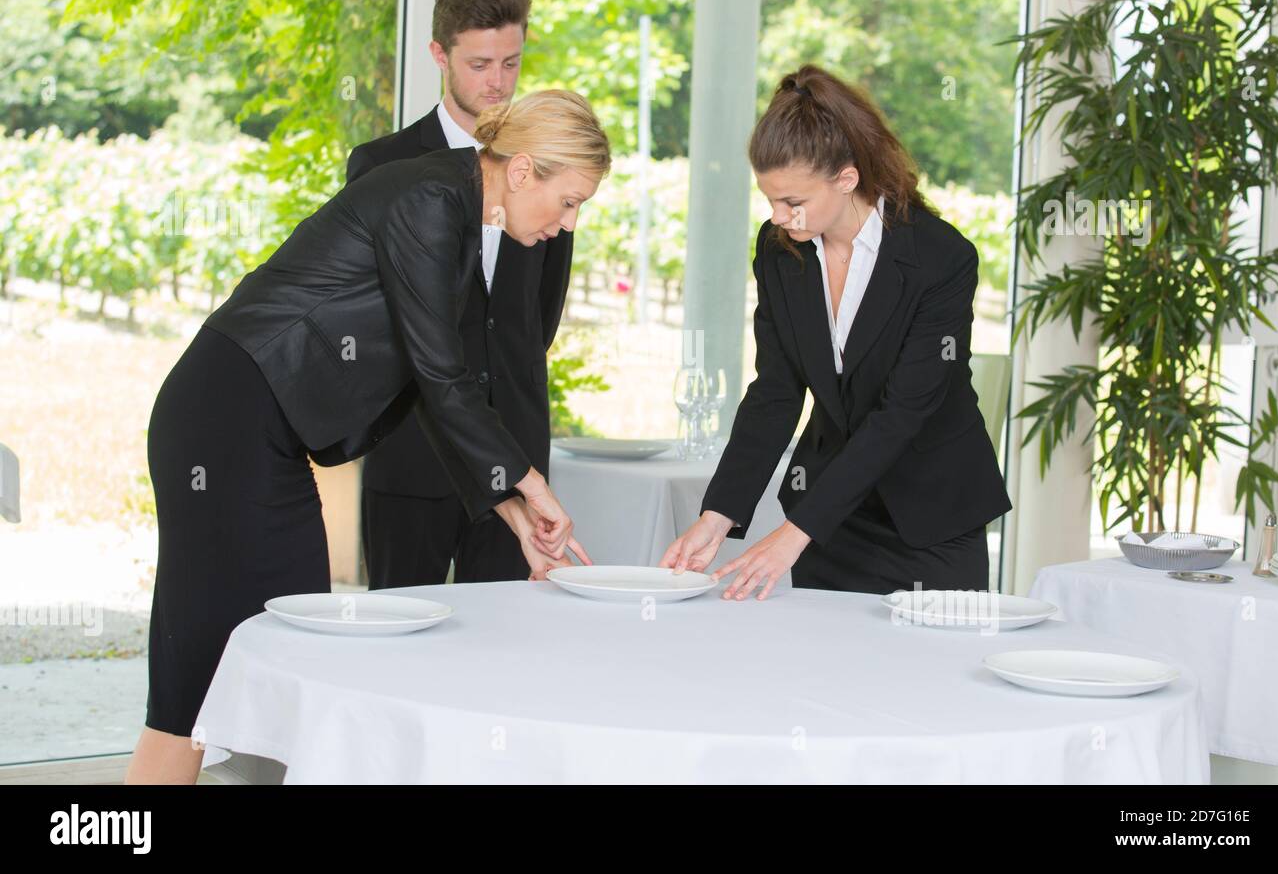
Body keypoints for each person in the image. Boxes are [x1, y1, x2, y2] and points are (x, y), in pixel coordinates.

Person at [126, 88, 610, 784]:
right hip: (226, 422)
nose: (567, 224)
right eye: (569, 202)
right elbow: (444, 379)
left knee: (283, 659)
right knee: (204, 672)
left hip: (262, 435)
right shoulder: (431, 200)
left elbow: (428, 391)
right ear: (524, 169)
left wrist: (512, 513)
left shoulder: (454, 212)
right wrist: (529, 480)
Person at [660, 64, 1011, 600]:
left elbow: (901, 414)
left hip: (930, 520)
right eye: (771, 199)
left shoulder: (941, 258)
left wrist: (793, 536)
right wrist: (718, 513)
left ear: (847, 178)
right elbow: (775, 390)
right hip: (831, 523)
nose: (778, 217)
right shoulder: (781, 251)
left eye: (793, 202)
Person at [348, 0, 572, 588]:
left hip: (517, 445)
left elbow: (539, 317)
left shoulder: (552, 161)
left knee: (504, 645)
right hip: (413, 451)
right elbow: (384, 319)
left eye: (511, 62)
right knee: (400, 632)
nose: (498, 83)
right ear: (439, 55)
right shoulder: (382, 164)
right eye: (479, 65)